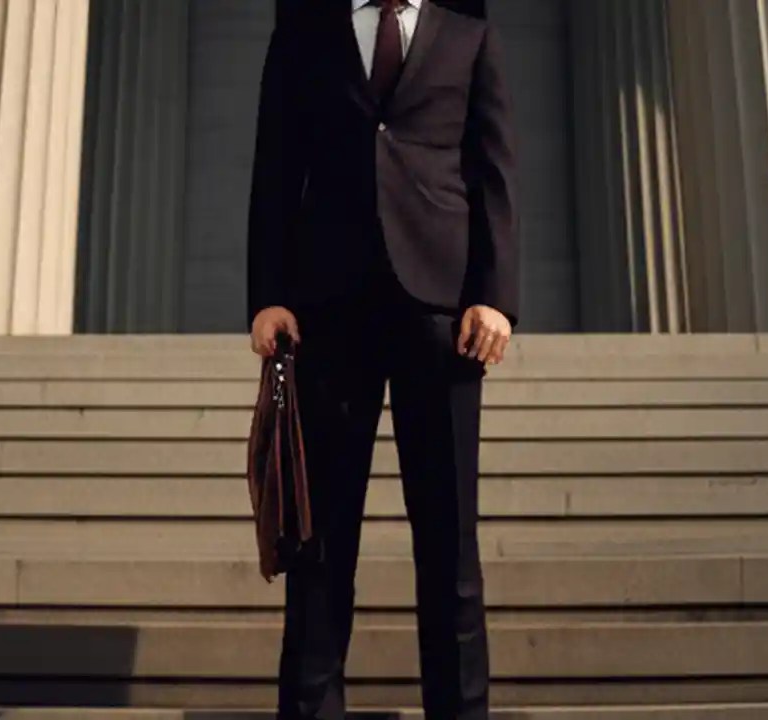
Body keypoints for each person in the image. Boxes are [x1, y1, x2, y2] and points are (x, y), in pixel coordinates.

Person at [245, 0, 518, 717]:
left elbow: (492, 171)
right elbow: (275, 166)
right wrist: (267, 297)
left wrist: (495, 297)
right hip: (328, 314)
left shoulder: (470, 38)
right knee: (320, 548)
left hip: (443, 316)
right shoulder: (304, 33)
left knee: (450, 549)